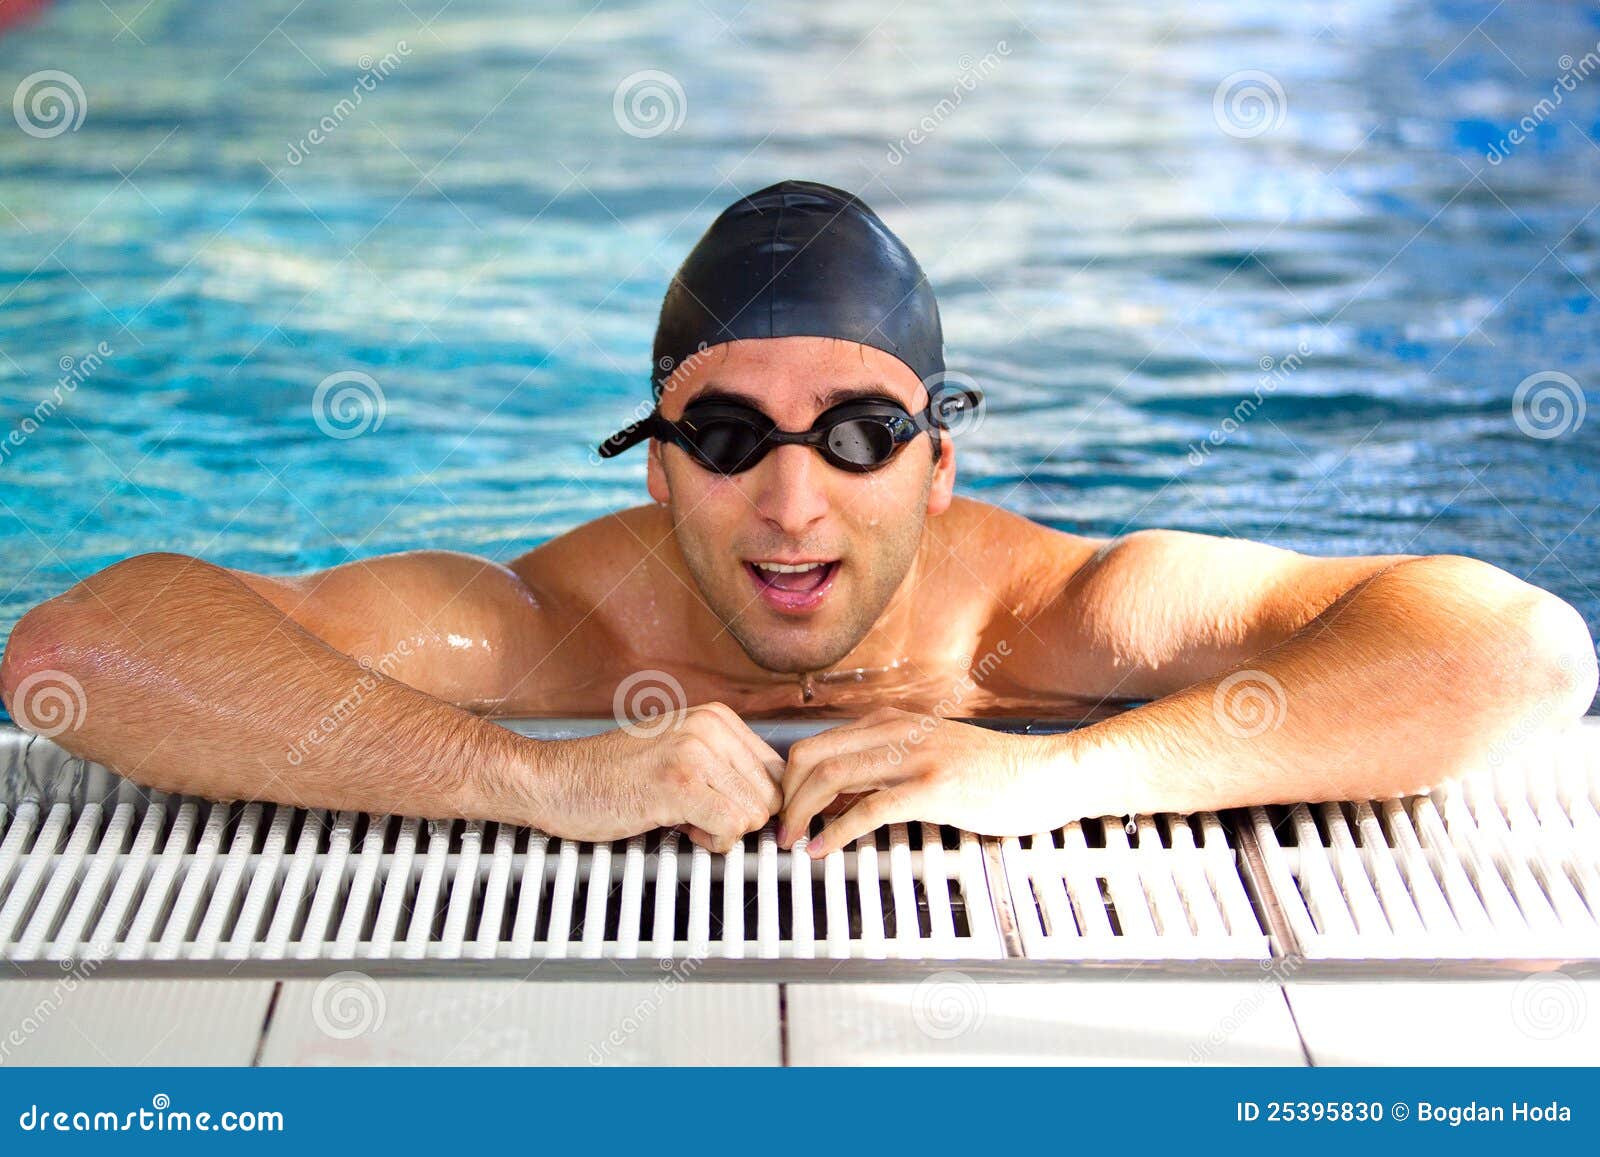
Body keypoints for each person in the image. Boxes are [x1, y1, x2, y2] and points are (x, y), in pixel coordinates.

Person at [2, 180, 1594, 857]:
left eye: (857, 434)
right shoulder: (551, 628)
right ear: (655, 467)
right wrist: (527, 782)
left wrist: (1063, 777)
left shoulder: (1059, 619)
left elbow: (1519, 652)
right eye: (724, 434)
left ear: (940, 464)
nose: (789, 500)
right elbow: (81, 649)